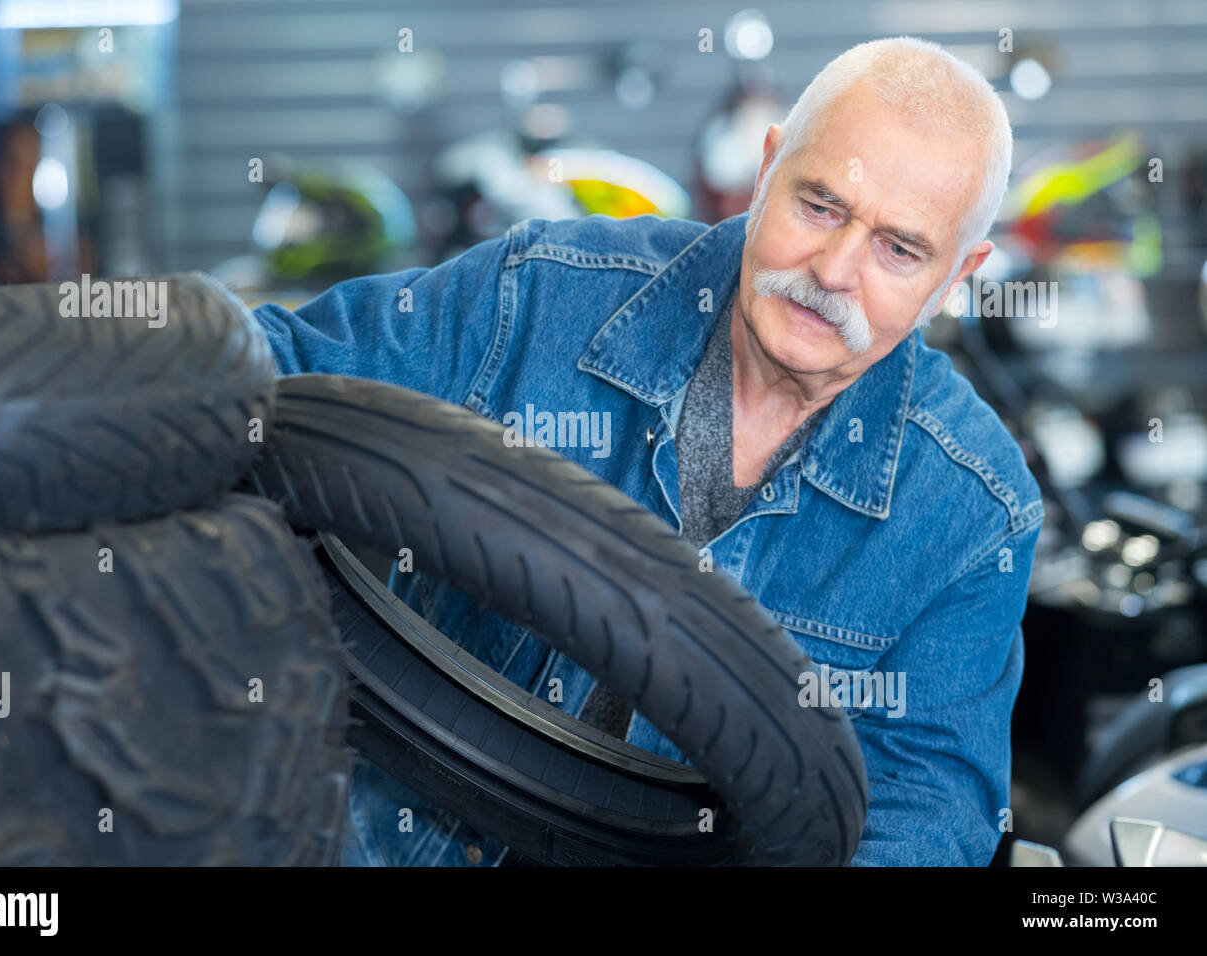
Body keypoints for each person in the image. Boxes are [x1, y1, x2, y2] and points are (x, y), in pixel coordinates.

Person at [252, 35, 1043, 866]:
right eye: (820, 205)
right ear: (768, 168)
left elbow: (927, 810)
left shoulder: (971, 511)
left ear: (958, 277)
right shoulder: (538, 298)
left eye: (900, 249)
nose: (835, 271)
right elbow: (264, 373)